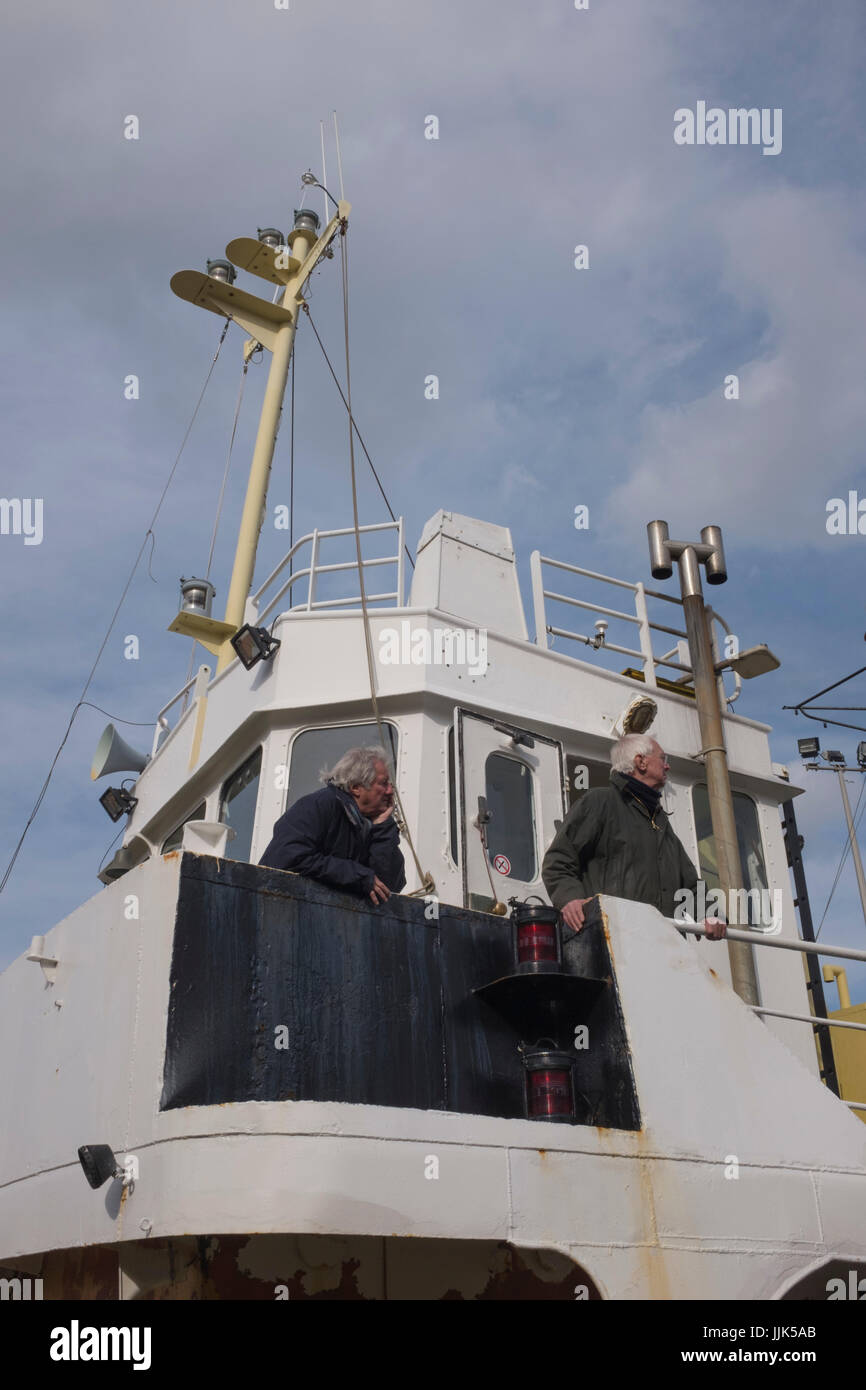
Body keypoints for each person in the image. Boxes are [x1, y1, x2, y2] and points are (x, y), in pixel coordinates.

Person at [541, 734, 726, 938]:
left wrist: (710, 914)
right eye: (662, 759)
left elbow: (689, 883)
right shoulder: (600, 803)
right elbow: (558, 862)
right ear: (641, 762)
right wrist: (569, 899)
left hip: (667, 946)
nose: (667, 767)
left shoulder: (660, 821)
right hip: (612, 940)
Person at [259, 745, 406, 904]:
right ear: (356, 787)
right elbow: (288, 857)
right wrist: (356, 876)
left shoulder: (372, 826)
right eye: (384, 784)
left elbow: (386, 888)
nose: (391, 791)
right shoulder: (318, 806)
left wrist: (383, 828)